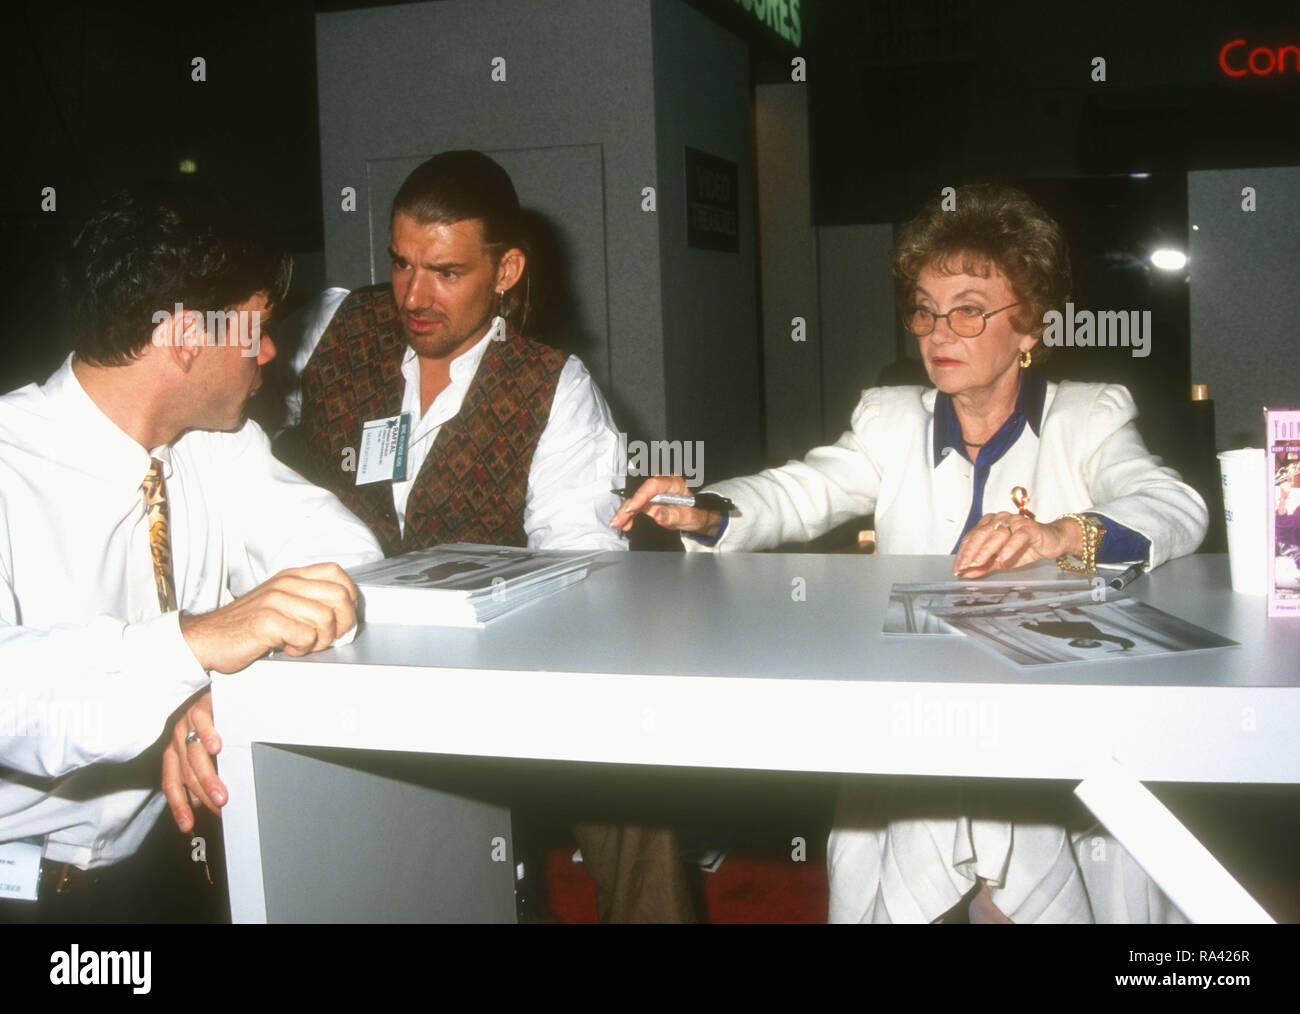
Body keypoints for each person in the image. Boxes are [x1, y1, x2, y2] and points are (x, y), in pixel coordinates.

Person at [615, 183, 1208, 923]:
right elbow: (803, 490)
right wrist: (706, 509)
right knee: (946, 793)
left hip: (1055, 717)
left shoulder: (1088, 416)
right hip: (919, 716)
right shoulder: (891, 420)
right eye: (925, 309)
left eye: (968, 309)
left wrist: (1061, 535)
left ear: (1028, 328)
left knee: (1000, 798)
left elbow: (1175, 508)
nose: (939, 332)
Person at [179, 151, 697, 922]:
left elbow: (584, 570)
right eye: (400, 264)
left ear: (508, 269)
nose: (414, 297)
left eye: (447, 272)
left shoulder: (554, 388)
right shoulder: (334, 327)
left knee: (633, 797)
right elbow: (227, 443)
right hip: (327, 657)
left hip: (484, 674)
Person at [0, 188, 383, 923]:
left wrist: (225, 689)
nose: (272, 352)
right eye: (258, 327)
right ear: (183, 336)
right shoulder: (12, 467)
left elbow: (349, 568)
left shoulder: (218, 444)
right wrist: (196, 644)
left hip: (156, 873)